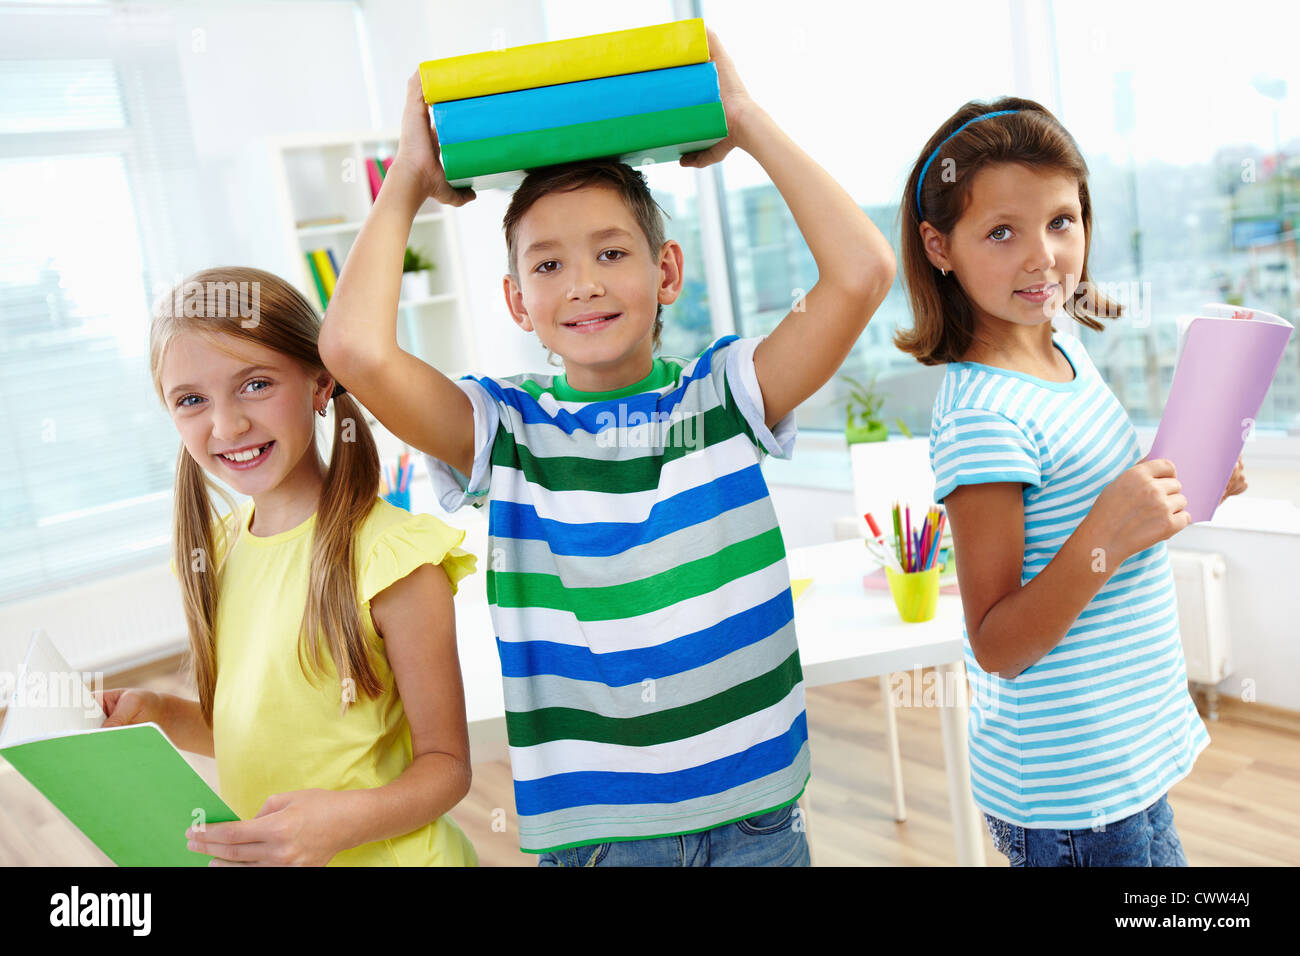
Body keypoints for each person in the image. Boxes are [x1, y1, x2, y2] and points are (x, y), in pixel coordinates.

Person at [318, 30, 896, 865]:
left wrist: (745, 119)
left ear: (667, 274)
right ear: (518, 301)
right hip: (602, 841)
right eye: (548, 266)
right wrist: (407, 178)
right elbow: (355, 352)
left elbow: (862, 272)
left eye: (611, 253)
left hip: (757, 817)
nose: (583, 282)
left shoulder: (722, 396)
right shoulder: (505, 431)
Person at [896, 98, 1248, 866]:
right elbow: (996, 644)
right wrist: (1107, 533)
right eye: (1001, 232)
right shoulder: (981, 413)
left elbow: (1087, 511)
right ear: (938, 246)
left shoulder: (1061, 349)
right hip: (1071, 795)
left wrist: (1180, 481)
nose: (1043, 257)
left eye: (1061, 221)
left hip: (1128, 758)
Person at [99, 266, 478, 866]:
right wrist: (162, 714)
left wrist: (340, 824)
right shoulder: (216, 553)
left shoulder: (392, 558)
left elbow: (448, 769)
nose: (228, 425)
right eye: (192, 400)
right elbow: (270, 734)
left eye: (254, 385)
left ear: (320, 383)